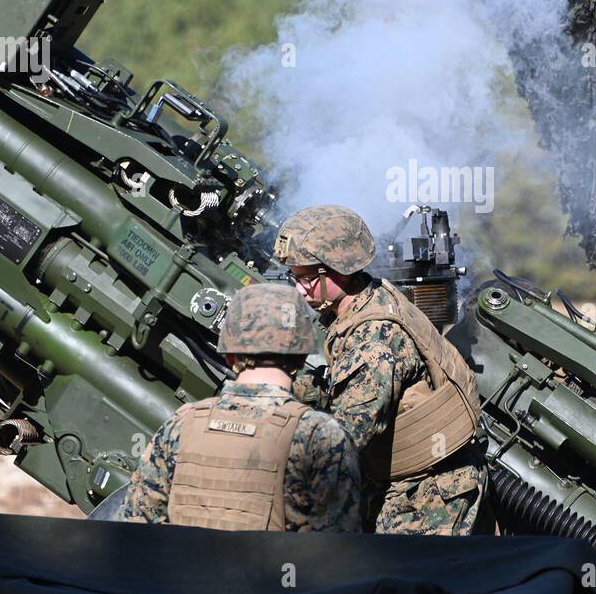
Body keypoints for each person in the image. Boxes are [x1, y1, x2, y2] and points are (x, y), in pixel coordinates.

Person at [273, 204, 488, 535]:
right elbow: (336, 384)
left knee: (399, 585)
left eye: (305, 278)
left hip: (426, 494)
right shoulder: (361, 299)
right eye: (294, 277)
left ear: (338, 270)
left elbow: (343, 442)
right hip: (400, 480)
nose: (299, 289)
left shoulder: (375, 342)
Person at [118, 282, 361, 531]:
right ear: (301, 357)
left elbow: (137, 529)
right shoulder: (321, 437)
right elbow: (338, 554)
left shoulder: (181, 425)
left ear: (229, 355)